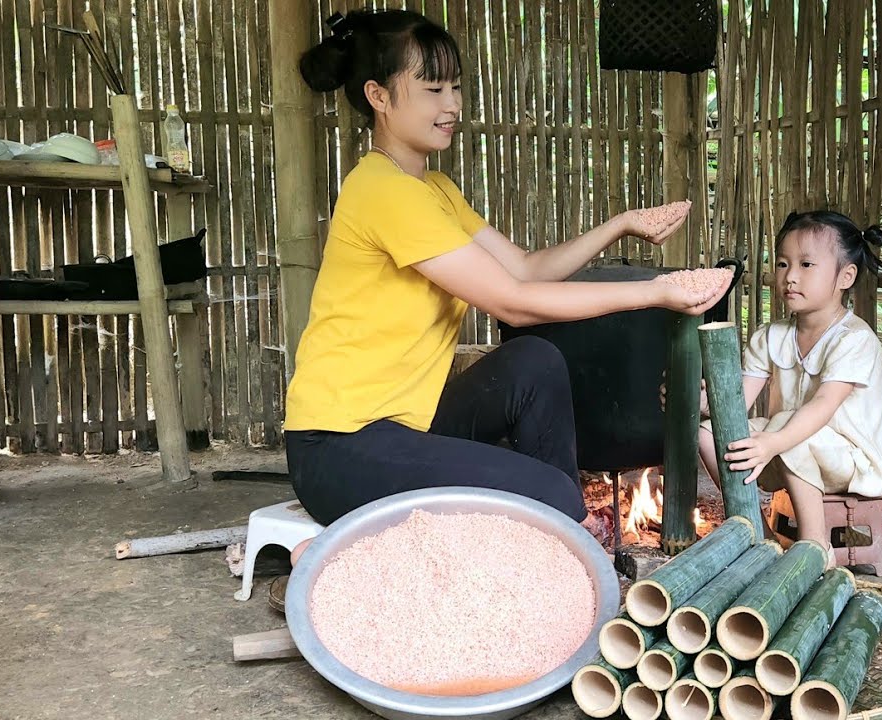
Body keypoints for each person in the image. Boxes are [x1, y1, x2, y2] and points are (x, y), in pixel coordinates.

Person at [283, 8, 729, 561]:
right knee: (549, 495)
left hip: (410, 422)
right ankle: (563, 525)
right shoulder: (381, 191)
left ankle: (559, 525)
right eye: (431, 89)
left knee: (534, 363)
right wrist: (657, 292)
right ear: (378, 96)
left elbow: (522, 269)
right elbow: (514, 304)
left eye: (456, 88)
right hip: (341, 448)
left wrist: (620, 224)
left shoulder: (434, 189)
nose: (452, 105)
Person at [697, 210, 882, 564]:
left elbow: (822, 407)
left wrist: (773, 440)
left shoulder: (855, 340)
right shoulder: (771, 336)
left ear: (845, 276)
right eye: (783, 264)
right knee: (707, 433)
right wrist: (698, 401)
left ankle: (817, 547)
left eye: (806, 265)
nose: (790, 277)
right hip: (782, 449)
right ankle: (760, 533)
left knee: (789, 423)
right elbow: (735, 406)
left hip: (849, 461)